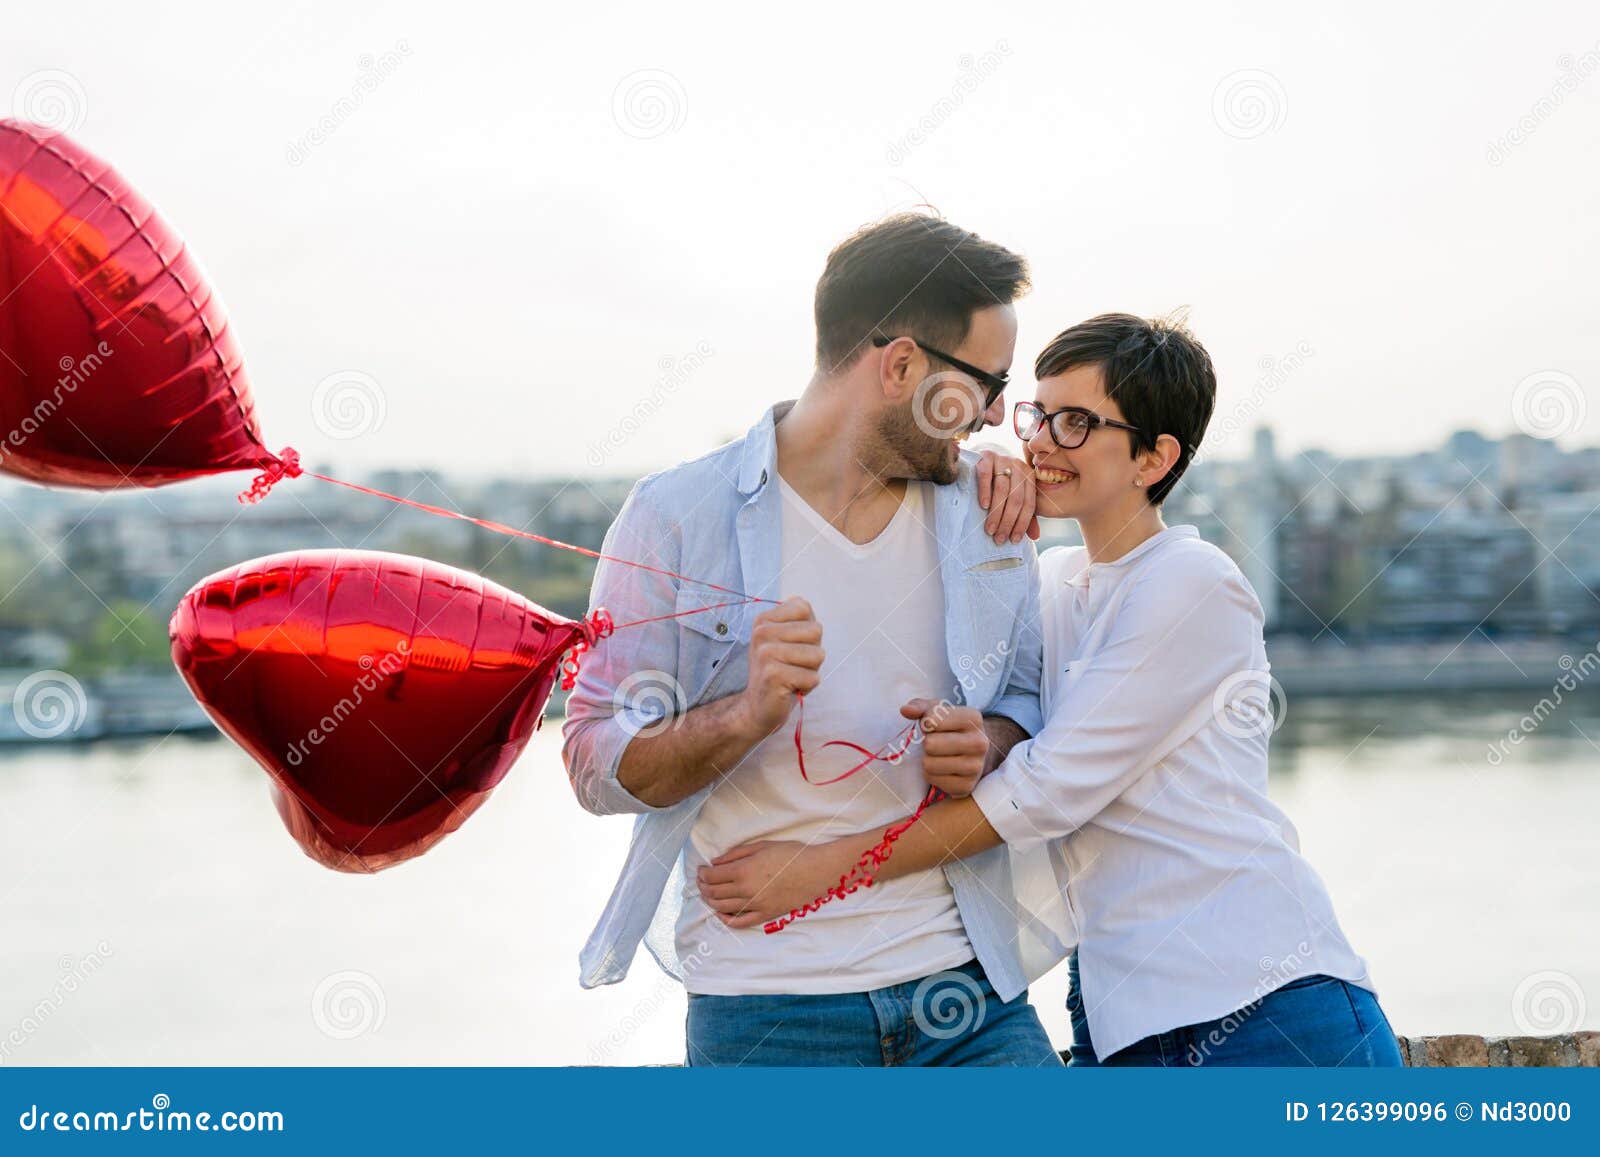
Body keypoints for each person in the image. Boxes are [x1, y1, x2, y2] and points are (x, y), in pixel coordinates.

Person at [697, 312, 1404, 1067]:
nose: (1039, 440)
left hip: (1268, 1010)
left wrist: (816, 869)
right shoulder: (1057, 583)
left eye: (1074, 422)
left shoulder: (1192, 585)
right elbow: (1010, 714)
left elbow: (1043, 792)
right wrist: (985, 465)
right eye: (1037, 414)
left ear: (1153, 458)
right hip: (1122, 1022)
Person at [562, 214, 1072, 1066]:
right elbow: (592, 761)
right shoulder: (676, 516)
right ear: (901, 365)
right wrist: (746, 714)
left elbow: (1025, 701)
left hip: (970, 995)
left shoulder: (991, 511)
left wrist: (986, 741)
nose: (992, 415)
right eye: (986, 382)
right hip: (768, 1014)